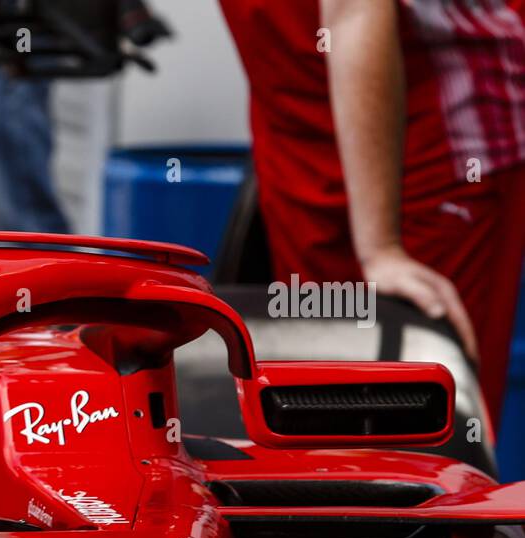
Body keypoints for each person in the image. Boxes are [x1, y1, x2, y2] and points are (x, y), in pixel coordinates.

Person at [219, 0, 525, 425]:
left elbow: (355, 10)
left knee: (431, 420)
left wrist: (381, 248)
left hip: (433, 133)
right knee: (319, 404)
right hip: (297, 122)